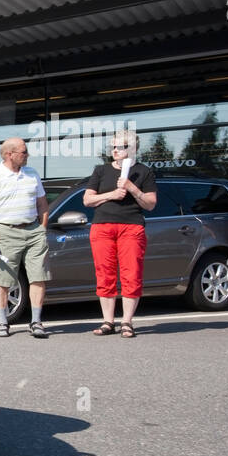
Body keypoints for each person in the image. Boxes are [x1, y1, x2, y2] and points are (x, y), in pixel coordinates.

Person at [82, 130, 157, 338]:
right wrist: (112, 195)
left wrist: (132, 188)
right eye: (113, 146)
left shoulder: (144, 172)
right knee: (104, 273)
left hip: (131, 227)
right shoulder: (101, 171)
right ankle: (108, 321)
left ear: (132, 149)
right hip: (102, 226)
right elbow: (87, 200)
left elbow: (150, 204)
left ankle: (127, 322)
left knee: (131, 273)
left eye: (120, 146)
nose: (115, 150)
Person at [0, 137, 51, 339]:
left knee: (39, 276)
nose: (27, 155)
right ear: (9, 154)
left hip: (33, 230)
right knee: (3, 278)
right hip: (6, 230)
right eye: (23, 152)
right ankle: (2, 322)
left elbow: (42, 204)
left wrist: (42, 229)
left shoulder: (32, 174)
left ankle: (36, 322)